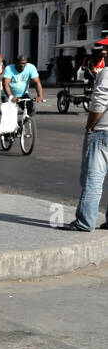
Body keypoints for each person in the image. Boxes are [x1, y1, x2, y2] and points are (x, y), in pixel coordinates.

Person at [61, 64, 108, 231]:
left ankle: (84, 222)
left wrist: (90, 125)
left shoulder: (107, 72)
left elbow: (100, 102)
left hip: (103, 131)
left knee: (93, 179)